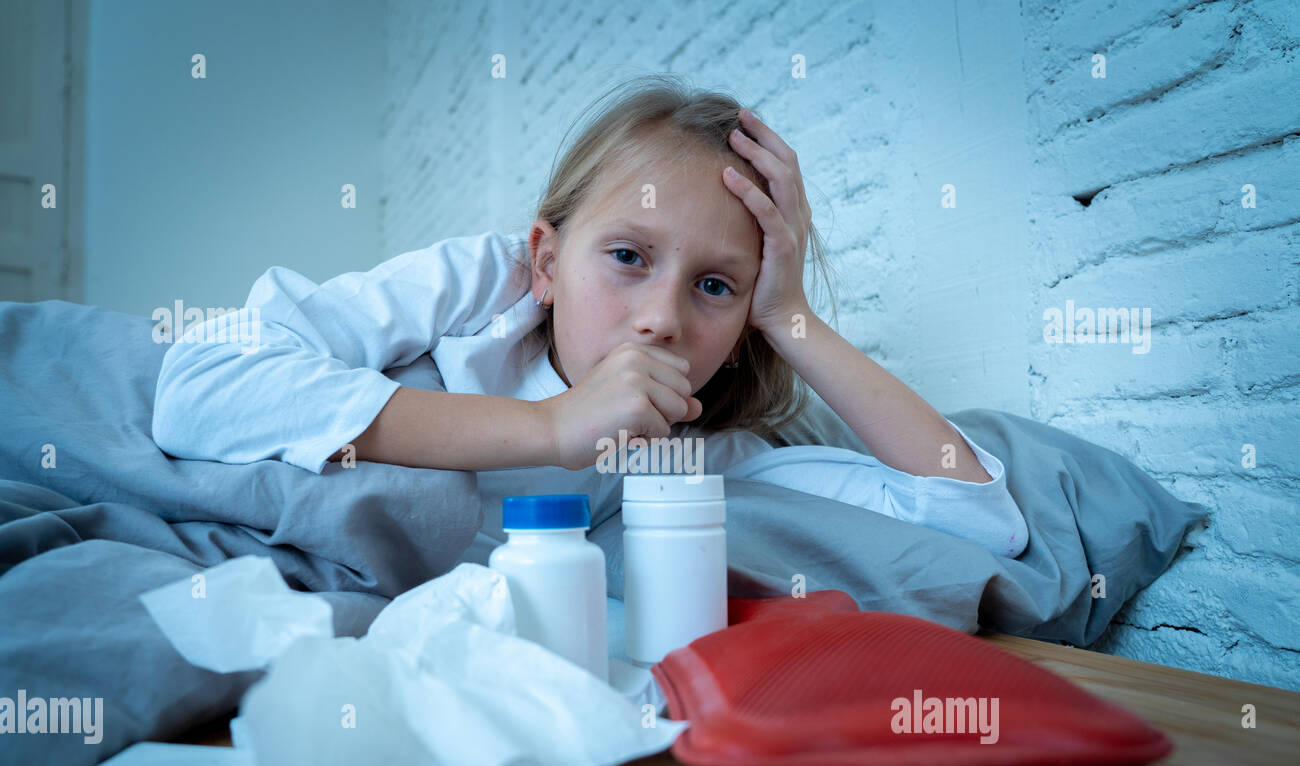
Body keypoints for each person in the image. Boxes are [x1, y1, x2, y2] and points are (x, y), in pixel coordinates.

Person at [152, 75, 1028, 566]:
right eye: (628, 257)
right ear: (546, 261)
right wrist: (548, 425)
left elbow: (980, 520)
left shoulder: (701, 452)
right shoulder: (480, 285)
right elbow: (198, 385)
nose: (659, 320)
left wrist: (791, 316)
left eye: (715, 287)